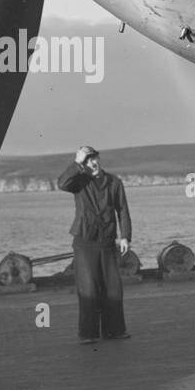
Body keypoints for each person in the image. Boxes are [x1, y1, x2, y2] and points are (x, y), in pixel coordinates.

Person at [58, 145, 132, 343]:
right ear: (84, 163)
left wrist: (125, 236)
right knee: (88, 289)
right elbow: (62, 183)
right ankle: (88, 334)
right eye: (88, 160)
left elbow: (122, 210)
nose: (93, 162)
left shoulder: (114, 182)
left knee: (113, 288)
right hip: (84, 241)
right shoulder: (79, 182)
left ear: (99, 158)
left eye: (95, 158)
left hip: (107, 240)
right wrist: (76, 163)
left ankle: (115, 331)